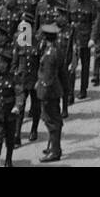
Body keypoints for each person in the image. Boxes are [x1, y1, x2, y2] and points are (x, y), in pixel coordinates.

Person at [36, 21, 68, 162]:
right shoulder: (56, 50)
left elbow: (47, 78)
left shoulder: (49, 54)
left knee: (52, 121)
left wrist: (43, 93)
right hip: (55, 89)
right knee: (54, 120)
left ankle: (55, 151)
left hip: (49, 91)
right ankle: (54, 147)